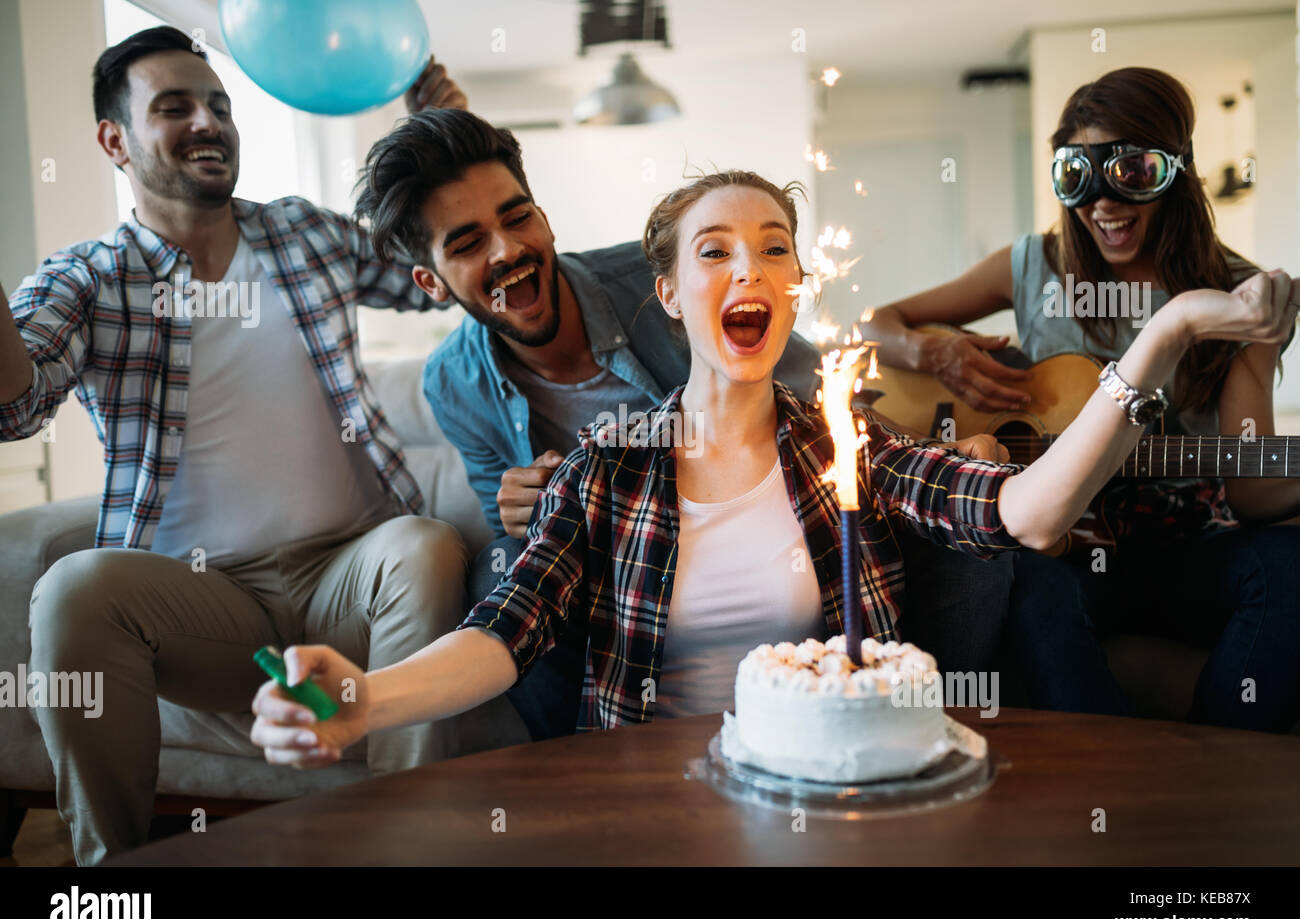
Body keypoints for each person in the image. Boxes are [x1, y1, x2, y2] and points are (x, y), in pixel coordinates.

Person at [250, 168, 1296, 767]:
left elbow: (1026, 512)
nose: (748, 267)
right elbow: (507, 629)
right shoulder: (609, 464)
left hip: (832, 784)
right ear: (666, 293)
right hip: (646, 791)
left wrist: (1157, 342)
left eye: (774, 247)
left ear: (796, 284)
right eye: (714, 249)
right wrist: (366, 698)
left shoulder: (847, 445)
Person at [0, 27, 518, 866]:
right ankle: (112, 879)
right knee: (71, 590)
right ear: (114, 141)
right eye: (174, 108)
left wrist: (442, 152)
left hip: (349, 576)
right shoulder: (88, 278)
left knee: (423, 546)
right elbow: (15, 407)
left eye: (219, 105)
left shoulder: (303, 235)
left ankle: (401, 846)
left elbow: (430, 274)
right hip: (205, 608)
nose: (208, 122)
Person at [355, 109, 1016, 739]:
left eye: (517, 217)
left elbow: (824, 397)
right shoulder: (452, 383)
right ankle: (575, 760)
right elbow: (522, 542)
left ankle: (919, 725)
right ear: (432, 282)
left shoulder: (669, 277)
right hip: (606, 562)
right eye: (468, 244)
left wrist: (935, 458)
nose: (507, 250)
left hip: (763, 508)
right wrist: (521, 501)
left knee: (974, 536)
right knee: (498, 564)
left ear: (545, 219)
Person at [865, 67, 1300, 732]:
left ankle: (1223, 764)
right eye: (1078, 177)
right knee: (1033, 585)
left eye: (1131, 173)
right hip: (1066, 543)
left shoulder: (1239, 295)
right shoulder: (1035, 264)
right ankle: (1098, 783)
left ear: (1175, 171)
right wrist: (937, 352)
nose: (1102, 202)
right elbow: (879, 322)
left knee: (1287, 564)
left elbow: (1250, 490)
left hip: (1184, 547)